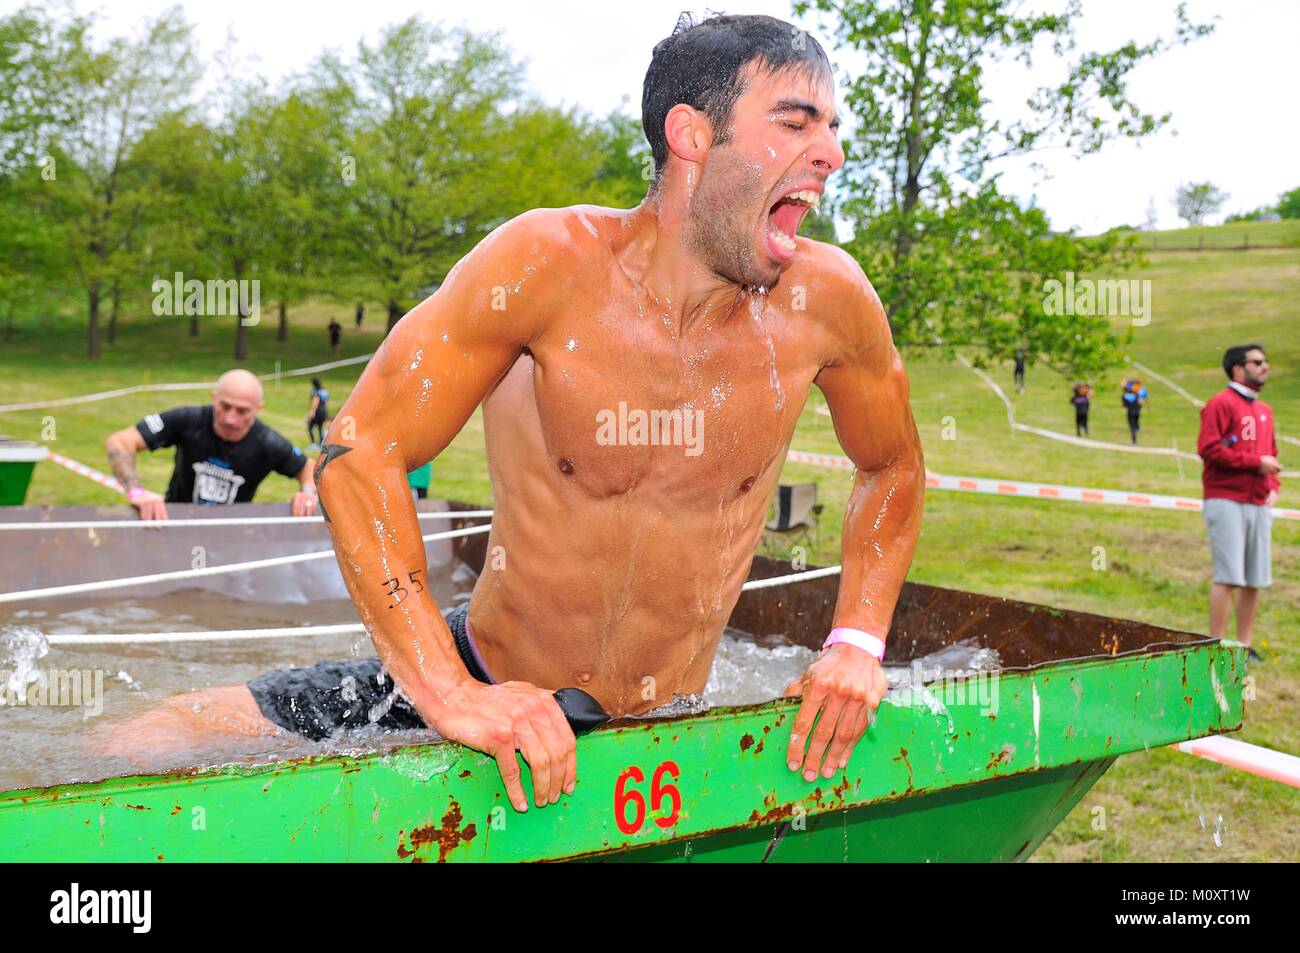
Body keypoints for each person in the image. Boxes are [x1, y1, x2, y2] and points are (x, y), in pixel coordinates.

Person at [96, 14, 925, 813]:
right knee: (142, 739)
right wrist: (446, 689)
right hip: (480, 677)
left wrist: (856, 642)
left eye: (832, 127)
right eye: (796, 123)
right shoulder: (546, 267)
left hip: (665, 730)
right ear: (692, 136)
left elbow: (891, 464)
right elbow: (360, 450)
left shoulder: (827, 302)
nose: (832, 152)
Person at [105, 369, 318, 520]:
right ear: (214, 398)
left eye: (242, 411)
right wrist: (136, 492)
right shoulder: (188, 420)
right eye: (225, 406)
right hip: (174, 521)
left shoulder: (268, 442)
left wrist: (307, 493)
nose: (230, 419)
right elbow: (120, 441)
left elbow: (309, 468)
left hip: (229, 532)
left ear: (258, 409)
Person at [1198, 344, 1283, 661]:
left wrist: (1273, 486)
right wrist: (1254, 463)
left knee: (1254, 579)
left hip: (1258, 502)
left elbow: (1272, 456)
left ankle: (1244, 647)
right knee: (1228, 576)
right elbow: (1208, 449)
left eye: (1266, 361)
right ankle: (1216, 647)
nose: (1265, 366)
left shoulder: (1265, 410)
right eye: (1258, 362)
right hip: (1226, 498)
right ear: (1238, 368)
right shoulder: (1220, 403)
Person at [306, 377, 329, 451]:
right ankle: (320, 445)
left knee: (310, 427)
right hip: (323, 411)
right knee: (320, 428)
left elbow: (316, 401)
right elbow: (326, 402)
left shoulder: (315, 391)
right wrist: (326, 412)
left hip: (317, 411)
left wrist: (312, 411)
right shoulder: (324, 391)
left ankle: (312, 444)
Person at [1121, 378, 1148, 444]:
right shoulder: (1136, 395)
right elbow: (1140, 403)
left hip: (1130, 413)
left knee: (1132, 427)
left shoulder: (1125, 396)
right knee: (1135, 423)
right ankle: (1137, 428)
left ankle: (1134, 441)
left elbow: (1124, 405)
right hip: (1137, 412)